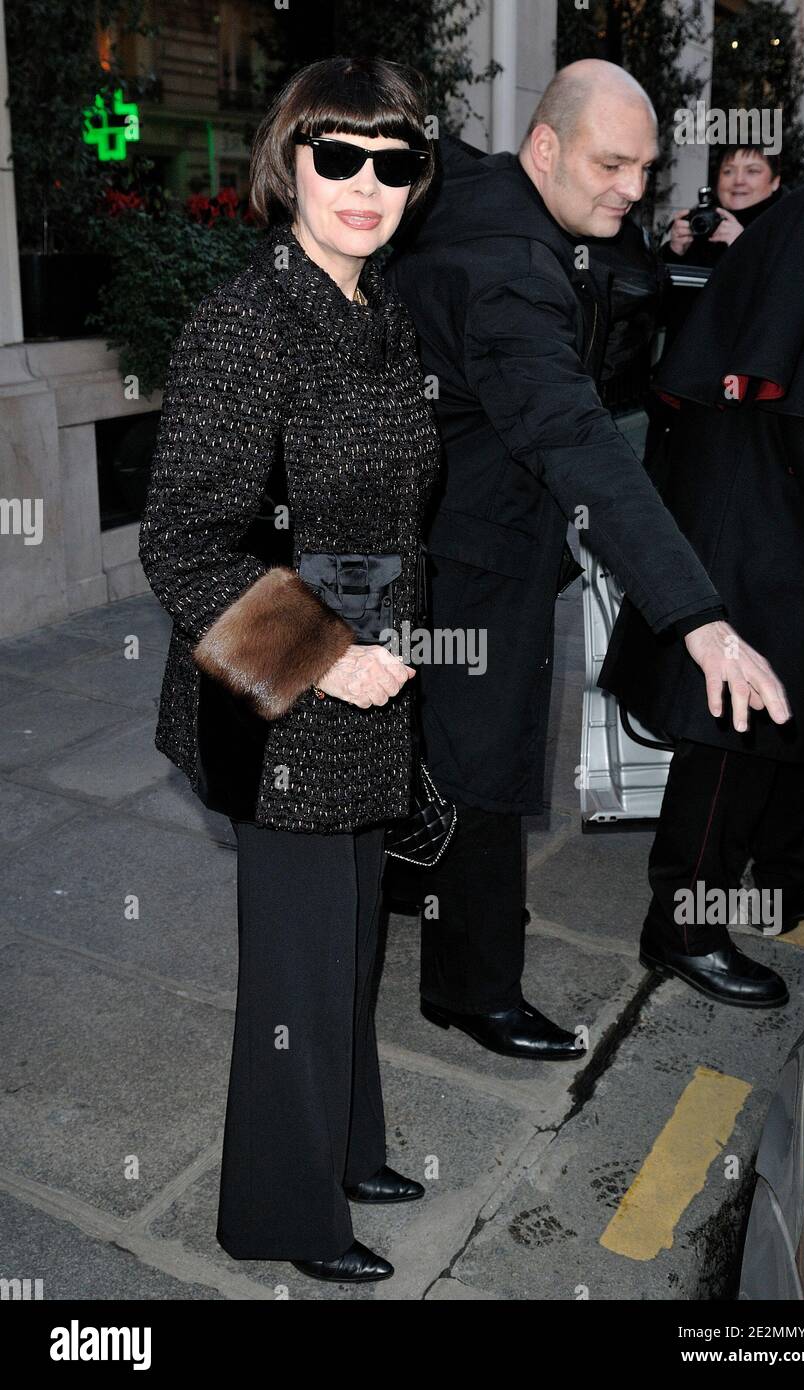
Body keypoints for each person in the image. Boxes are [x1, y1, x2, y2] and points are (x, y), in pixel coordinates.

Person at [386, 58, 790, 1060]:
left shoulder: (479, 190)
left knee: (424, 744)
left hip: (431, 524)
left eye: (645, 169)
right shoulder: (512, 273)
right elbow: (576, 441)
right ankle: (472, 990)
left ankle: (408, 890)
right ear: (545, 146)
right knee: (484, 773)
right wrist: (695, 615)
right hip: (476, 552)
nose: (630, 187)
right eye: (610, 164)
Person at [138, 55, 439, 1283]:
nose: (366, 185)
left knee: (351, 946)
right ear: (290, 161)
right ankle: (277, 1211)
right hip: (284, 700)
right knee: (296, 969)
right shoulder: (245, 324)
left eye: (395, 161)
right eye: (339, 156)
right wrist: (323, 663)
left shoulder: (382, 310)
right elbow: (183, 541)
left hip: (372, 681)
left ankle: (346, 1146)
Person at [599, 145, 804, 1005]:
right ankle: (681, 924)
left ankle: (782, 874)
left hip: (764, 490)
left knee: (793, 702)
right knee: (733, 723)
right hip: (768, 506)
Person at [663, 144, 785, 268]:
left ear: (775, 181)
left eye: (752, 171)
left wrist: (743, 247)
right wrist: (674, 252)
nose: (738, 180)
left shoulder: (788, 229)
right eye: (728, 171)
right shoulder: (701, 225)